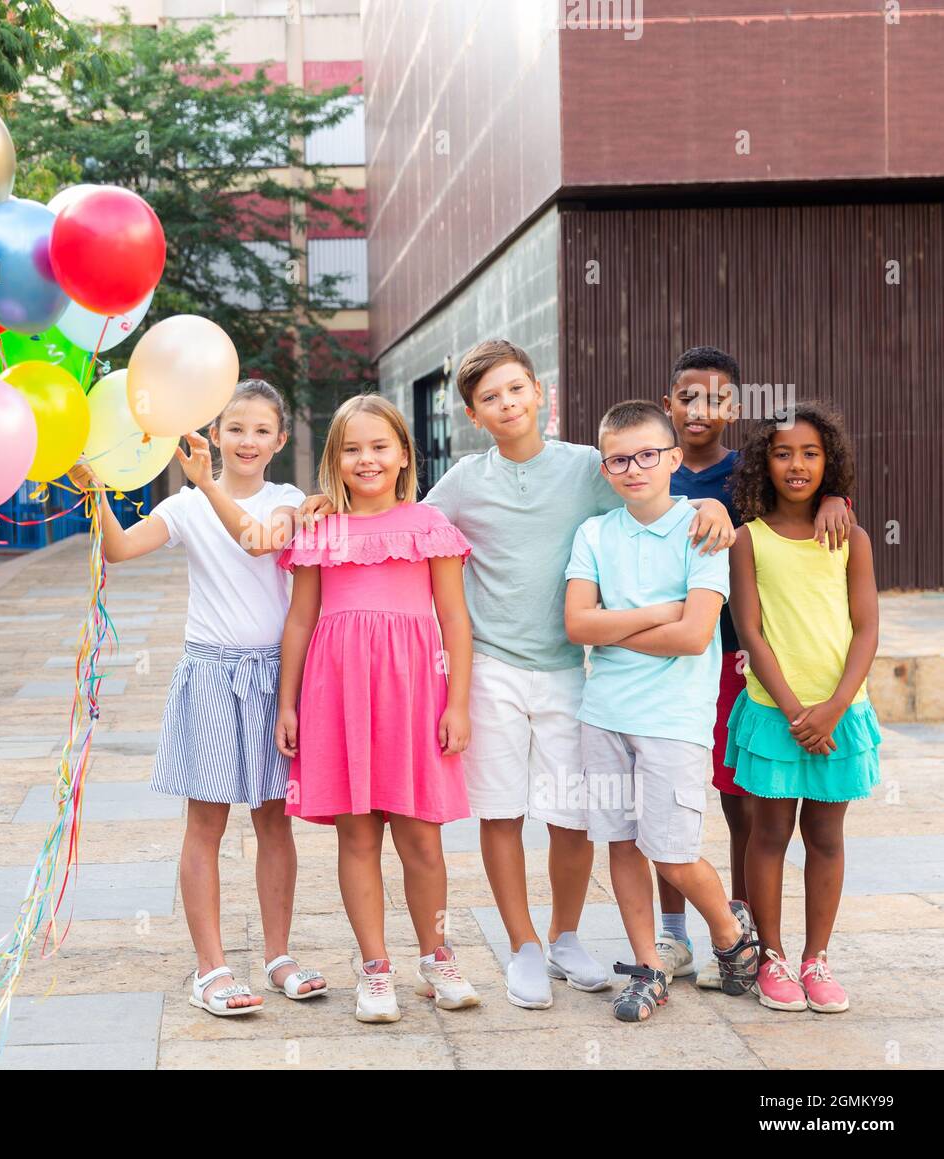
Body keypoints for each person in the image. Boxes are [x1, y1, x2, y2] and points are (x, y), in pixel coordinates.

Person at [299, 341, 736, 1009]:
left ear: (539, 393)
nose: (506, 404)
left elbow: (650, 481)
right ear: (475, 414)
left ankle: (565, 936)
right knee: (501, 811)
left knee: (571, 815)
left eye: (514, 389)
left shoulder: (589, 466)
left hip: (569, 668)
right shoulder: (467, 481)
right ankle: (524, 944)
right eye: (489, 398)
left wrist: (713, 508)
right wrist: (317, 502)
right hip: (491, 666)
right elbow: (392, 511)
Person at [73, 379, 327, 1017]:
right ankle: (211, 968)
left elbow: (257, 540)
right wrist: (97, 493)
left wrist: (207, 483)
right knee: (206, 823)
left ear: (280, 441)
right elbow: (122, 548)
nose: (247, 441)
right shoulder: (185, 507)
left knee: (275, 819)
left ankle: (278, 957)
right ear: (214, 434)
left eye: (261, 430)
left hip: (275, 676)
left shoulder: (289, 501)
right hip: (210, 674)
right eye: (235, 428)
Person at [277, 394, 480, 1023]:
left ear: (403, 456)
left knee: (422, 838)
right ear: (335, 460)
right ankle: (374, 967)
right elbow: (301, 619)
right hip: (338, 695)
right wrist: (287, 704)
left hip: (418, 693)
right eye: (352, 448)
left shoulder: (428, 526)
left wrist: (459, 704)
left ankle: (437, 956)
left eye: (379, 446)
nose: (367, 459)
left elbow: (454, 618)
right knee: (357, 835)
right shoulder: (319, 530)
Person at [654, 347, 854, 989]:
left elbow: (808, 478)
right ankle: (672, 932)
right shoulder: (650, 469)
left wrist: (839, 497)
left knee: (742, 801)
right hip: (666, 660)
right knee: (667, 796)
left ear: (735, 410)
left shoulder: (753, 469)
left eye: (715, 399)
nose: (699, 410)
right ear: (668, 404)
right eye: (688, 397)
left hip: (739, 661)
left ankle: (740, 930)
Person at [564, 399, 759, 1022]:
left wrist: (613, 628)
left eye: (647, 454)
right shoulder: (595, 534)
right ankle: (649, 965)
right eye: (619, 459)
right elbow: (575, 624)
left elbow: (696, 636)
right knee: (621, 844)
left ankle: (731, 934)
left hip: (673, 720)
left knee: (672, 852)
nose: (633, 467)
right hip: (605, 714)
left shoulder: (703, 529)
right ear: (605, 467)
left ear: (673, 459)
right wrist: (659, 612)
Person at [725, 402, 880, 1013]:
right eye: (783, 452)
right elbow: (750, 632)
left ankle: (817, 959)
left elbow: (866, 630)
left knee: (827, 837)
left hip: (842, 713)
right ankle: (773, 958)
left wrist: (834, 708)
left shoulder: (852, 536)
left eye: (811, 453)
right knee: (768, 835)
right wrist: (796, 712)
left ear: (829, 461)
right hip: (774, 713)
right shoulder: (749, 539)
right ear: (764, 462)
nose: (796, 464)